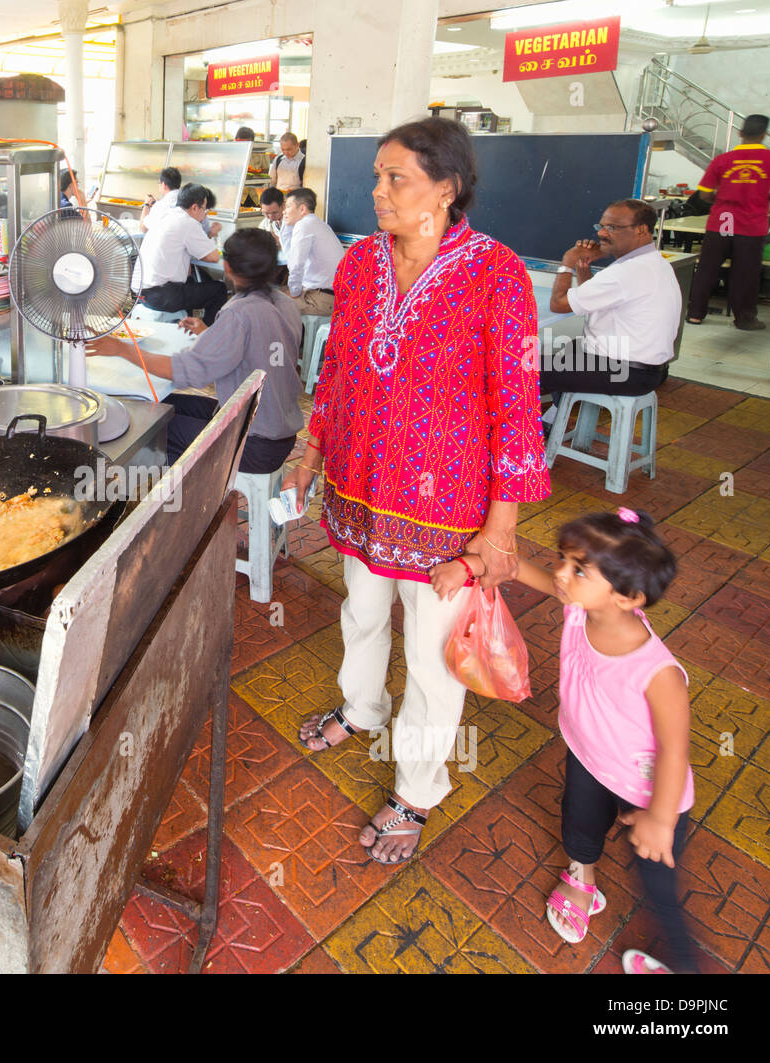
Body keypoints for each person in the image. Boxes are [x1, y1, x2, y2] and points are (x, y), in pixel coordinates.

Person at [287, 117, 549, 864]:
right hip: (361, 489)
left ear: (447, 187)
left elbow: (516, 405)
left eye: (394, 178)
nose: (377, 192)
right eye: (377, 177)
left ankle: (417, 787)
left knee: (434, 660)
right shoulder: (363, 261)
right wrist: (313, 447)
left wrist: (500, 529)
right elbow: (337, 364)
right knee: (362, 611)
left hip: (449, 513)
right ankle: (362, 707)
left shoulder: (495, 272)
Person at [431, 508, 695, 974]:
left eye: (577, 569)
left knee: (657, 881)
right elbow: (532, 575)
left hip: (647, 788)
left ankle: (685, 966)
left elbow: (675, 751)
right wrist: (495, 565)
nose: (560, 573)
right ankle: (580, 879)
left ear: (627, 597)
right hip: (588, 754)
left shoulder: (659, 674)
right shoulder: (582, 607)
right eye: (563, 559)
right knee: (579, 821)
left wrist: (658, 817)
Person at [92, 228, 301, 471]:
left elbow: (189, 372)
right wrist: (209, 332)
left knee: (149, 430)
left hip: (252, 441)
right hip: (278, 428)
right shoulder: (285, 304)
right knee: (165, 404)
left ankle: (178, 501)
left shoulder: (239, 313)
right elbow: (261, 348)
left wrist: (123, 350)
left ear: (228, 267)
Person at [544, 199, 680, 404]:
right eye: (601, 226)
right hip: (649, 370)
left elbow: (558, 305)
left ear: (641, 230)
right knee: (570, 350)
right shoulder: (655, 263)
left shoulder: (625, 272)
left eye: (612, 228)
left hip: (624, 372)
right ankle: (553, 418)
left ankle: (510, 432)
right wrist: (583, 268)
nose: (601, 233)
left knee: (515, 372)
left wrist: (568, 262)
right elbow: (595, 299)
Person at [686, 114, 770, 331]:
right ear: (763, 135)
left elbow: (704, 195)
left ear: (740, 133)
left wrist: (725, 197)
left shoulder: (722, 160)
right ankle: (745, 319)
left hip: (722, 223)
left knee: (707, 269)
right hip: (751, 226)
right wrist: (765, 194)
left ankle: (695, 314)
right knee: (745, 273)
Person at [135, 183, 227, 326]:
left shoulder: (166, 215)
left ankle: (186, 326)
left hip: (140, 292)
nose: (205, 215)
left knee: (190, 283)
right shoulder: (188, 223)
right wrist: (213, 234)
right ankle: (205, 334)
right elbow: (213, 257)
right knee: (219, 289)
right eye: (205, 209)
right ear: (195, 207)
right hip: (161, 295)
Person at [281, 187, 343, 318]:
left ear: (302, 209)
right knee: (275, 295)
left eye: (288, 207)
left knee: (270, 304)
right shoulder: (317, 223)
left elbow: (296, 264)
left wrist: (294, 292)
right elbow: (290, 254)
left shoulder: (304, 225)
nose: (284, 211)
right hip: (328, 296)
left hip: (322, 299)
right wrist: (286, 225)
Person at [140, 166, 182, 231]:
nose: (158, 185)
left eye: (159, 183)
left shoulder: (160, 206)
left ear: (164, 185)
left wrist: (146, 205)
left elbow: (143, 228)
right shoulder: (185, 201)